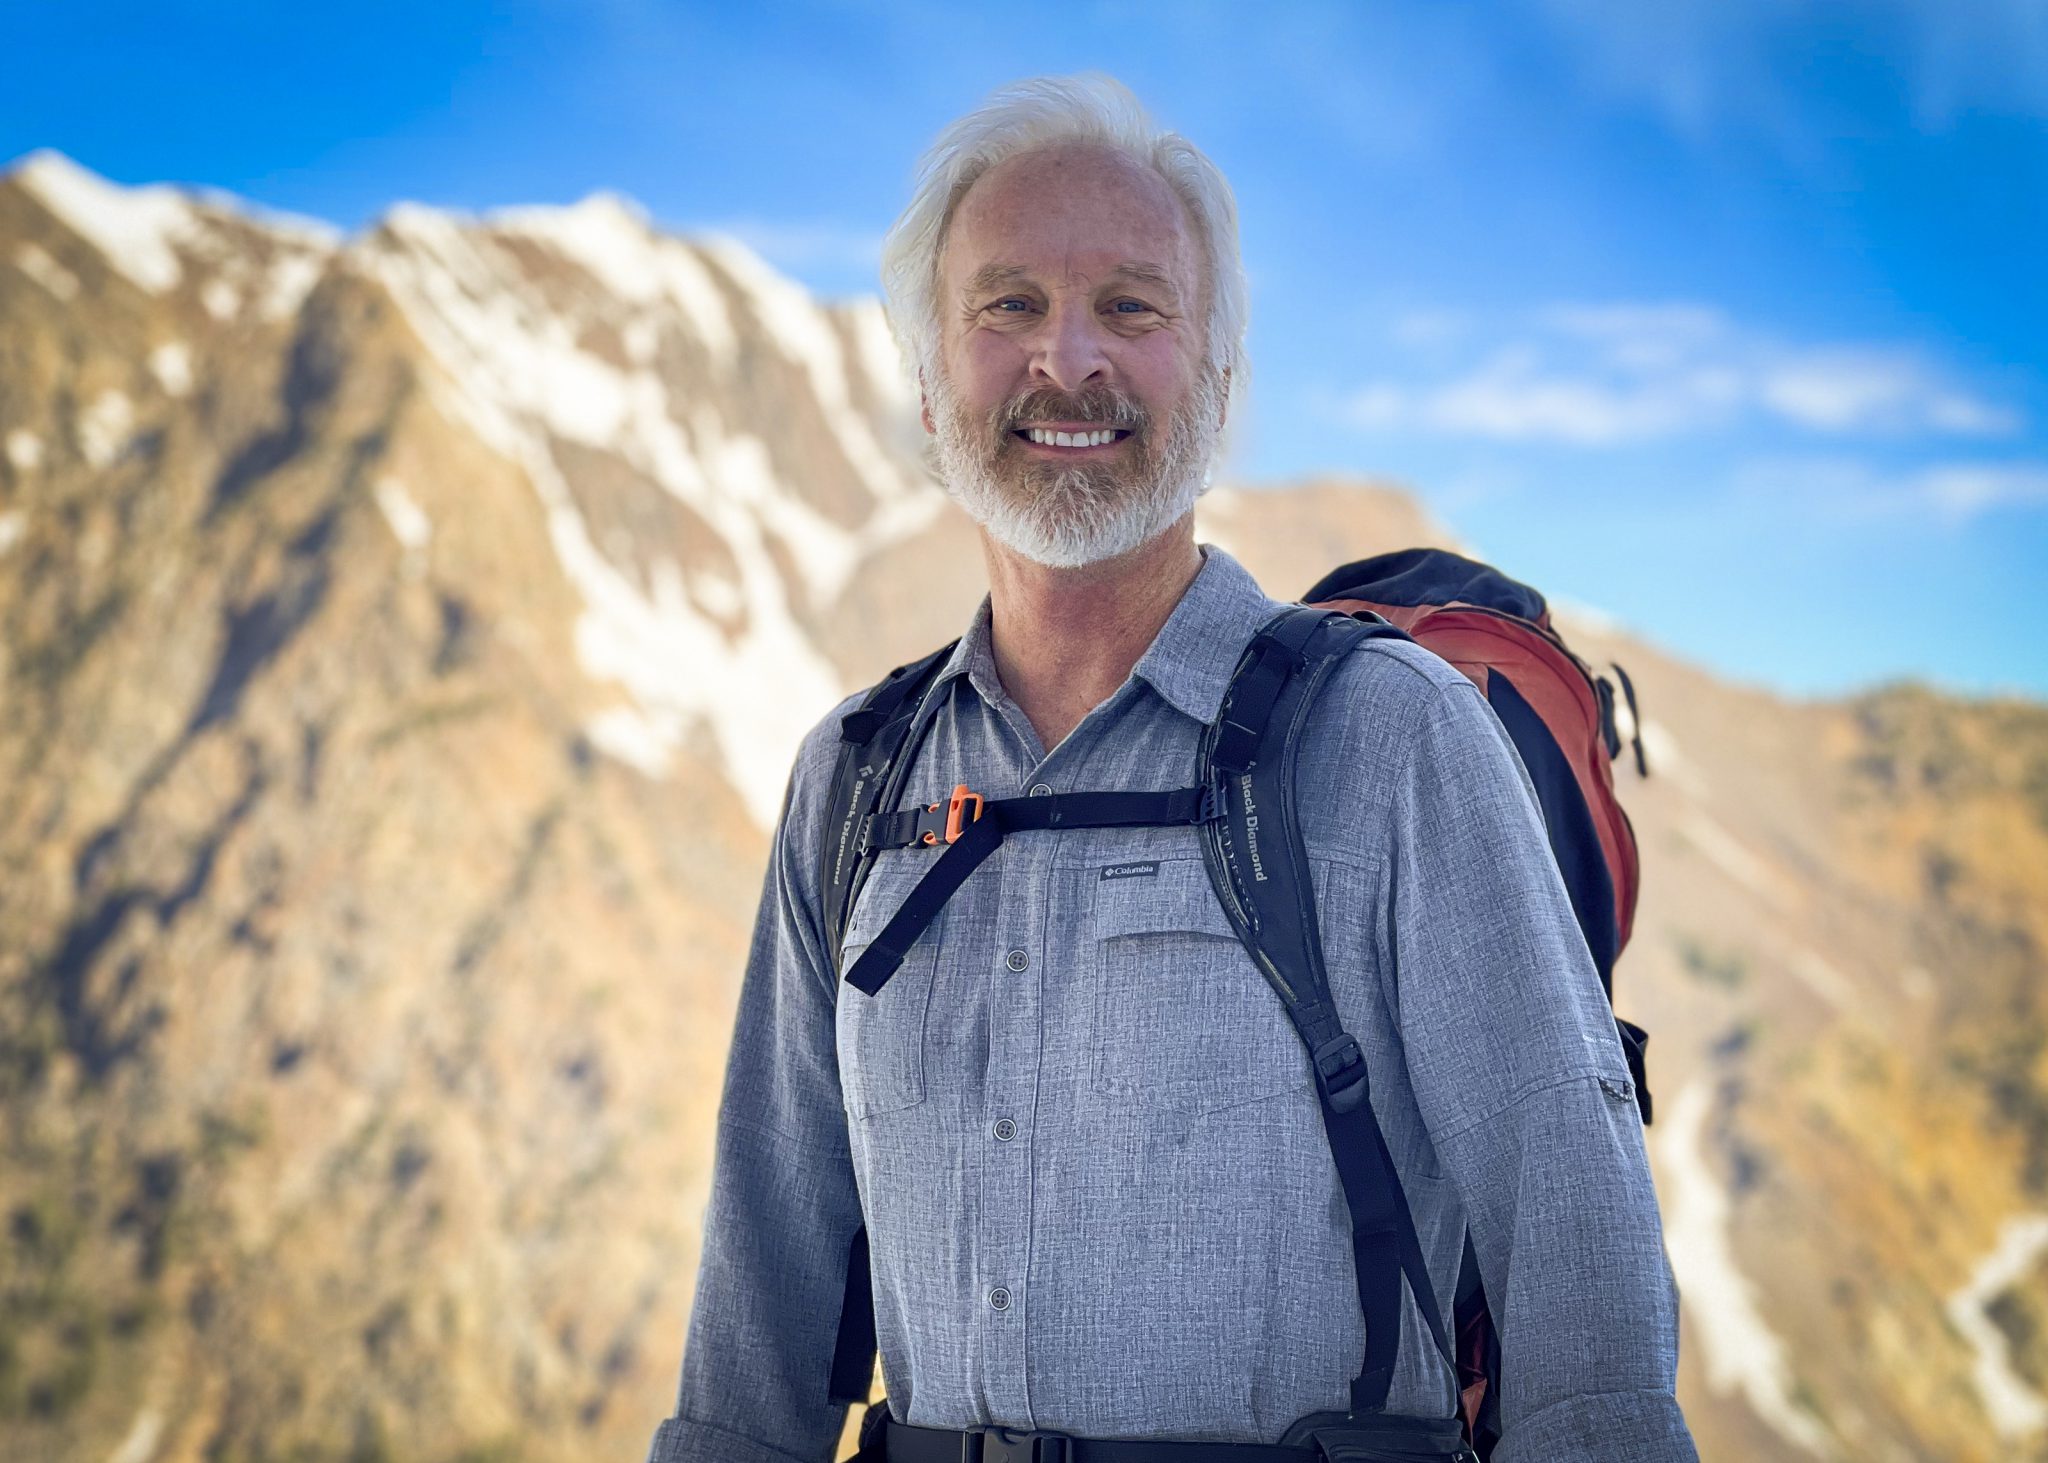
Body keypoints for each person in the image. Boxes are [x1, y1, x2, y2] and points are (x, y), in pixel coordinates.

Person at [643, 73, 1698, 1463]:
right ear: (924, 379)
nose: (1065, 360)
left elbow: (1589, 1317)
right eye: (1005, 305)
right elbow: (758, 1315)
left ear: (1219, 377)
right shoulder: (850, 779)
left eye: (1131, 308)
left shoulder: (1393, 742)